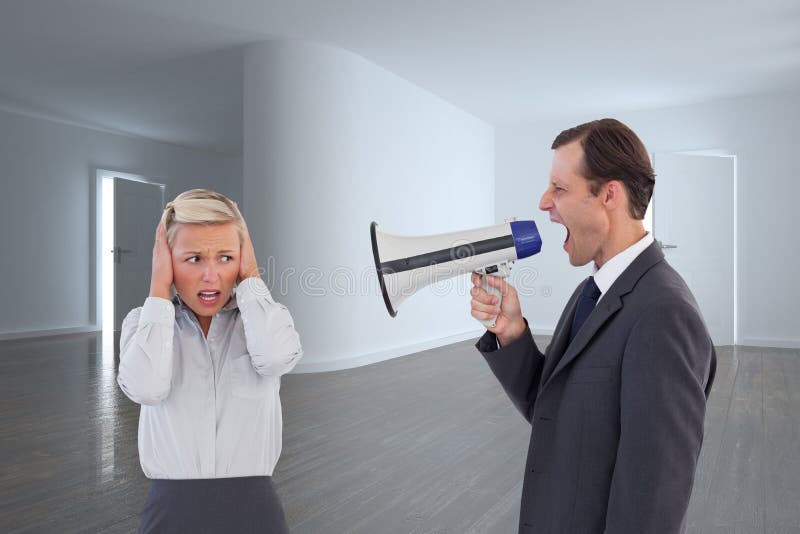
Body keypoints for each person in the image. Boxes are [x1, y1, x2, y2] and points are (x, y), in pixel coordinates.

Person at [470, 119, 716, 533]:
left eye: (560, 188)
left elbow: (652, 500)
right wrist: (512, 333)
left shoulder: (664, 315)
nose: (544, 202)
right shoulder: (593, 290)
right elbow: (559, 413)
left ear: (609, 195)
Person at [117, 189, 302, 533]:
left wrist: (251, 276)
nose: (211, 275)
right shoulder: (143, 323)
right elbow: (145, 388)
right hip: (170, 512)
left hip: (255, 510)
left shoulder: (264, 320)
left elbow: (276, 359)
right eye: (194, 259)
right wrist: (158, 288)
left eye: (226, 257)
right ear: (168, 260)